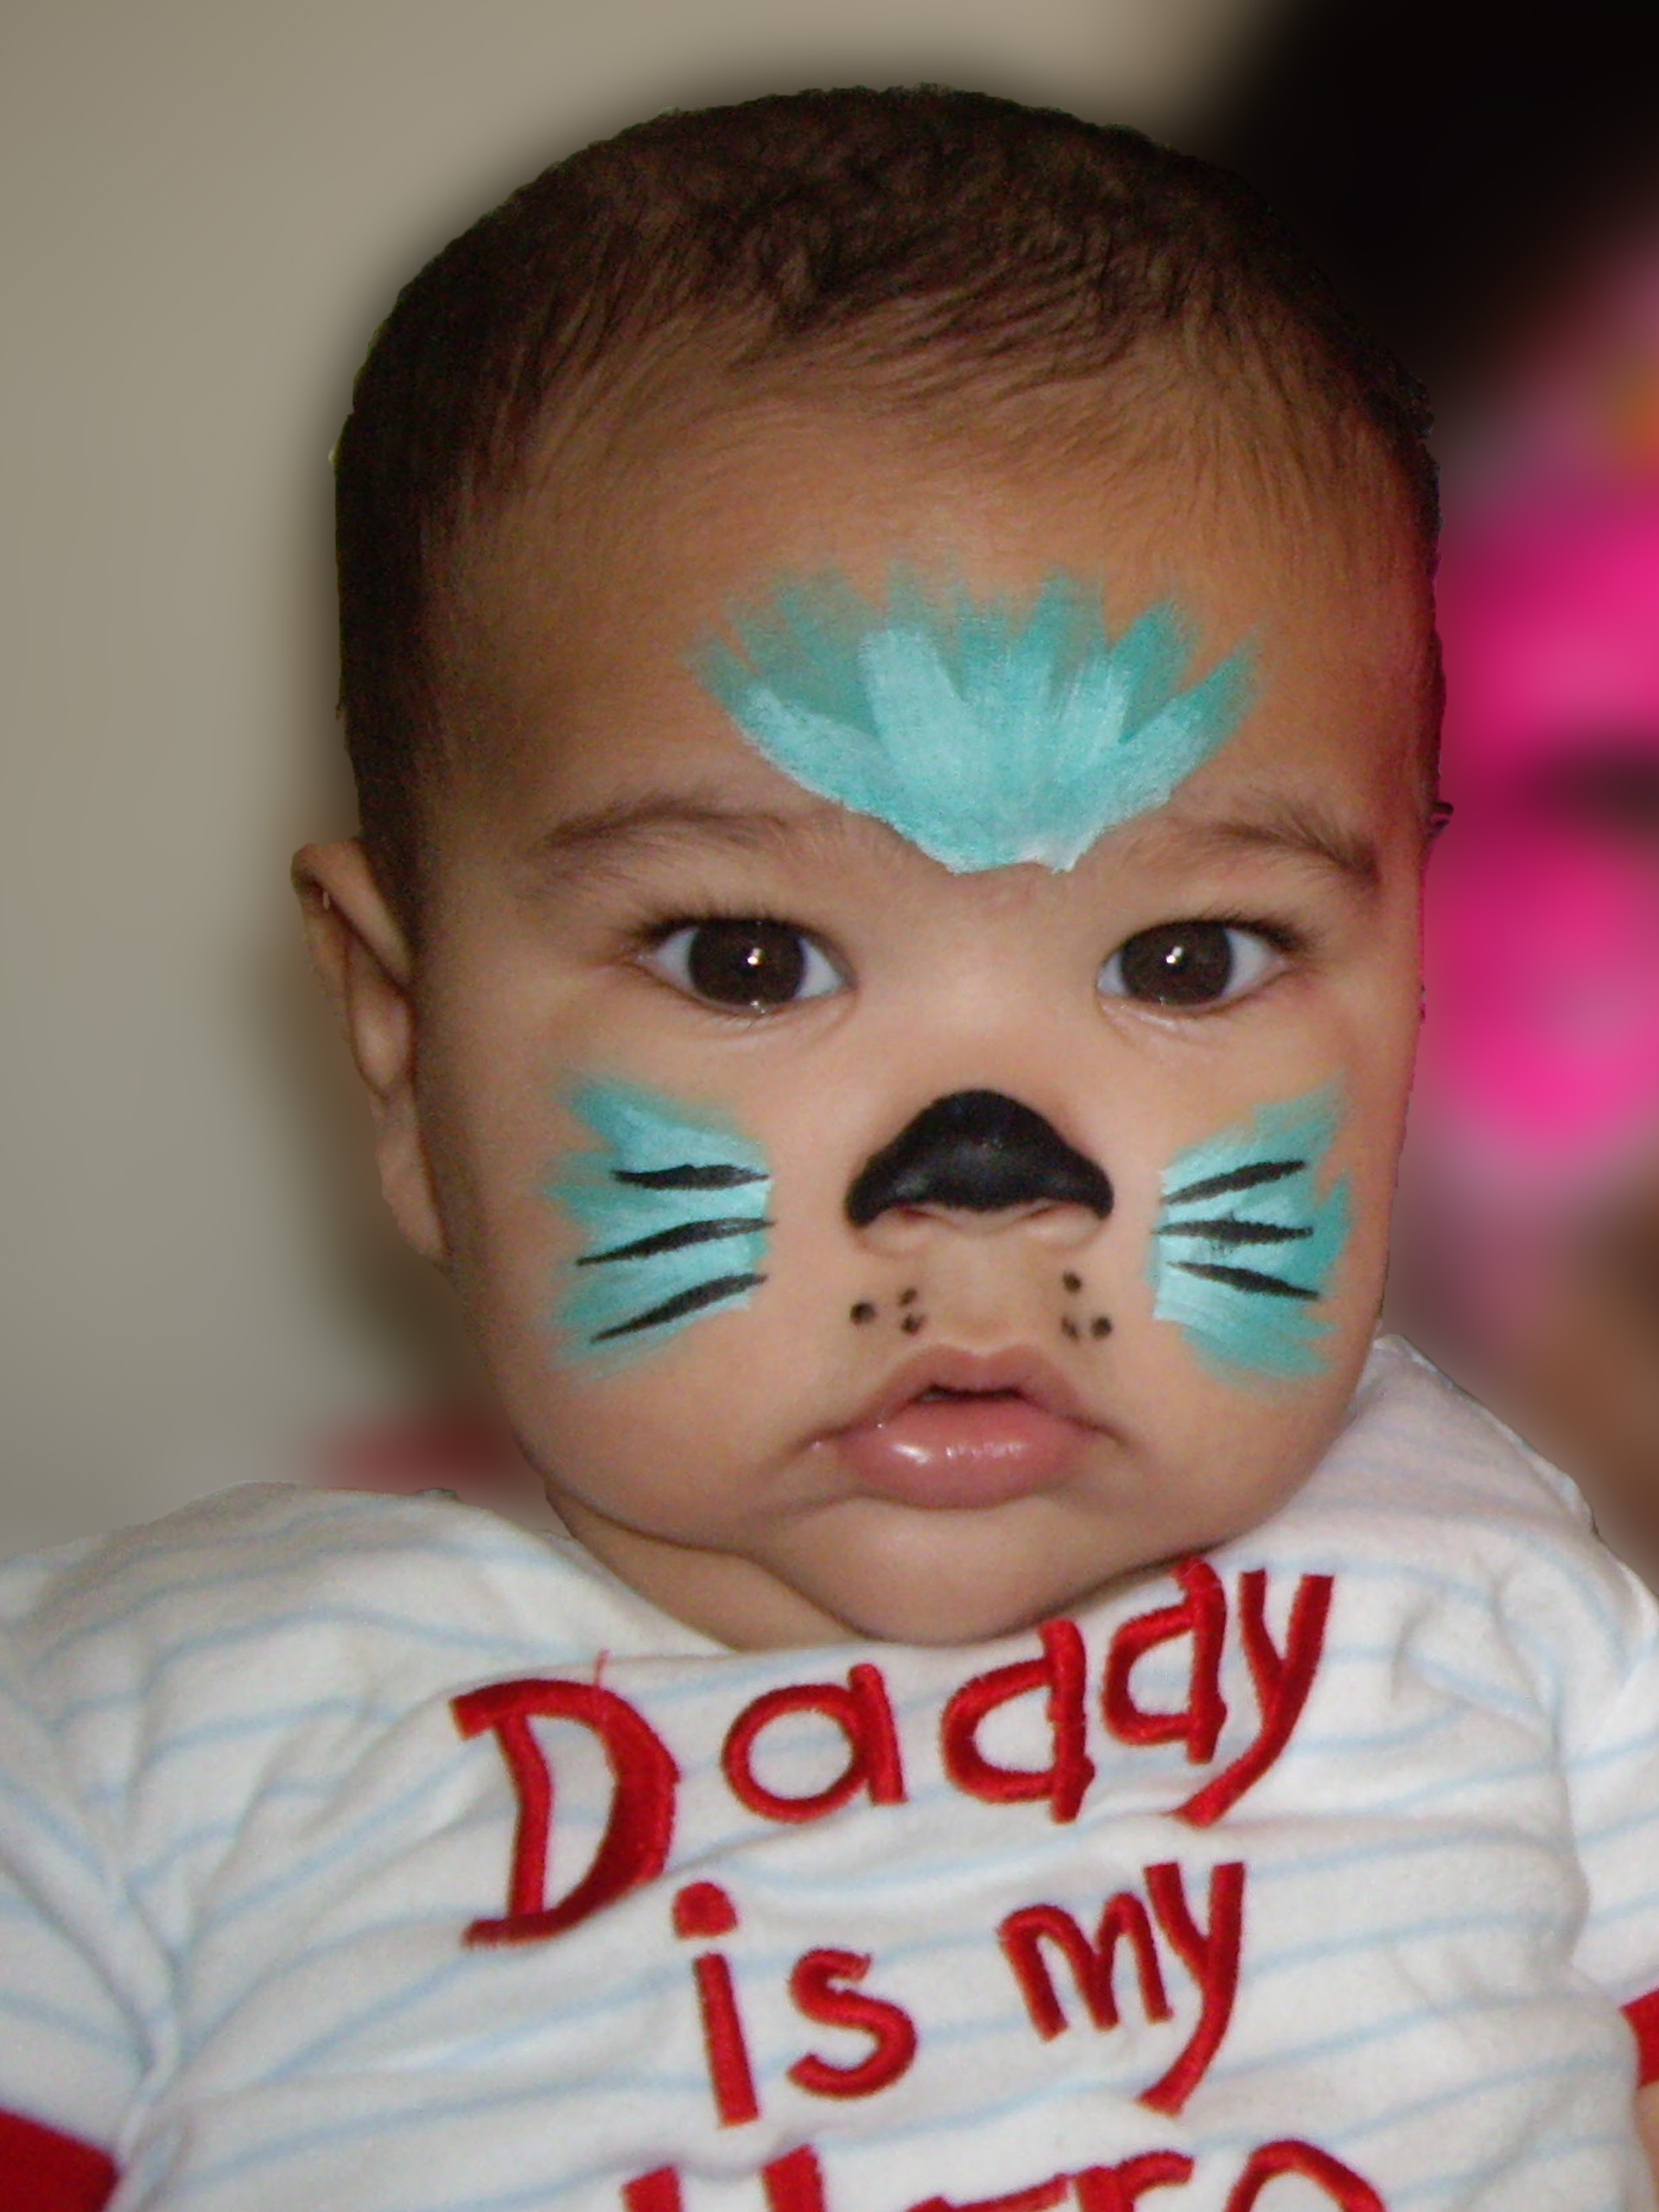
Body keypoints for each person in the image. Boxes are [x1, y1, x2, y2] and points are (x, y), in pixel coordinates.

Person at [3, 88, 1659, 2212]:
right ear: (403, 1046)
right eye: (747, 958)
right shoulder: (132, 1748)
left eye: (1187, 955)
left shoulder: (1501, 1599)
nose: (987, 1177)